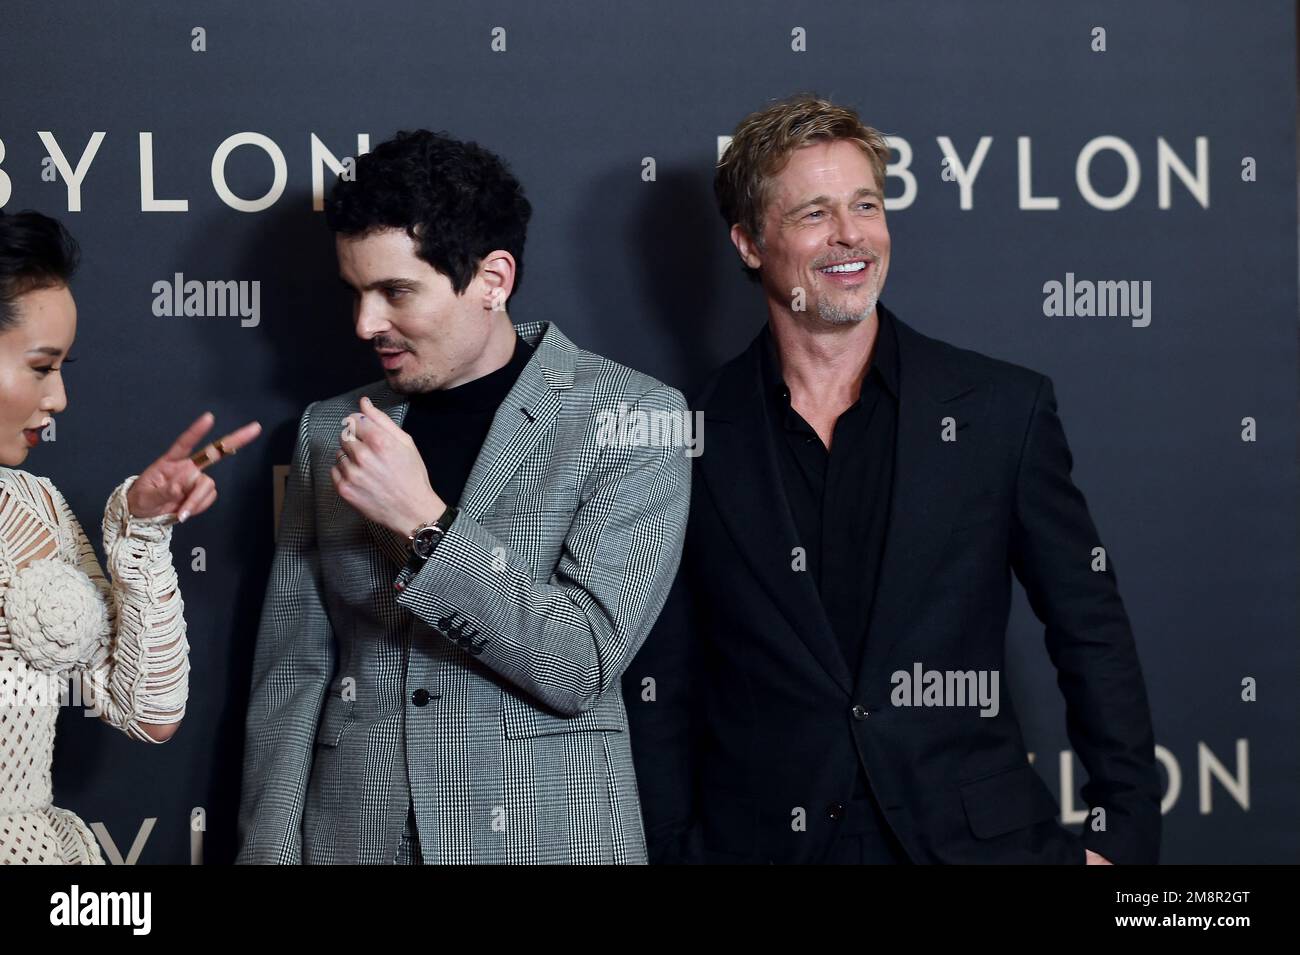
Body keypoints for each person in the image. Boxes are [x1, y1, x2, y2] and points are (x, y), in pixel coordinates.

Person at [626, 95, 1161, 865]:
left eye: (866, 204)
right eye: (814, 212)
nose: (851, 234)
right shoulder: (686, 436)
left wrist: (1127, 840)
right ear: (749, 242)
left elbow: (1091, 630)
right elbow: (663, 686)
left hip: (978, 846)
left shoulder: (1002, 409)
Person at [236, 130, 691, 865]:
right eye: (356, 291)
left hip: (550, 839)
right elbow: (293, 678)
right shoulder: (331, 429)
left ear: (492, 279)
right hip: (359, 837)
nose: (365, 324)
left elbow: (577, 663)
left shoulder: (632, 418)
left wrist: (425, 524)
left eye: (396, 292)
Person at [0, 209, 260, 864]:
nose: (58, 397)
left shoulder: (37, 510)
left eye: (63, 366)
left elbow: (147, 712)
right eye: (40, 366)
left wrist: (142, 534)